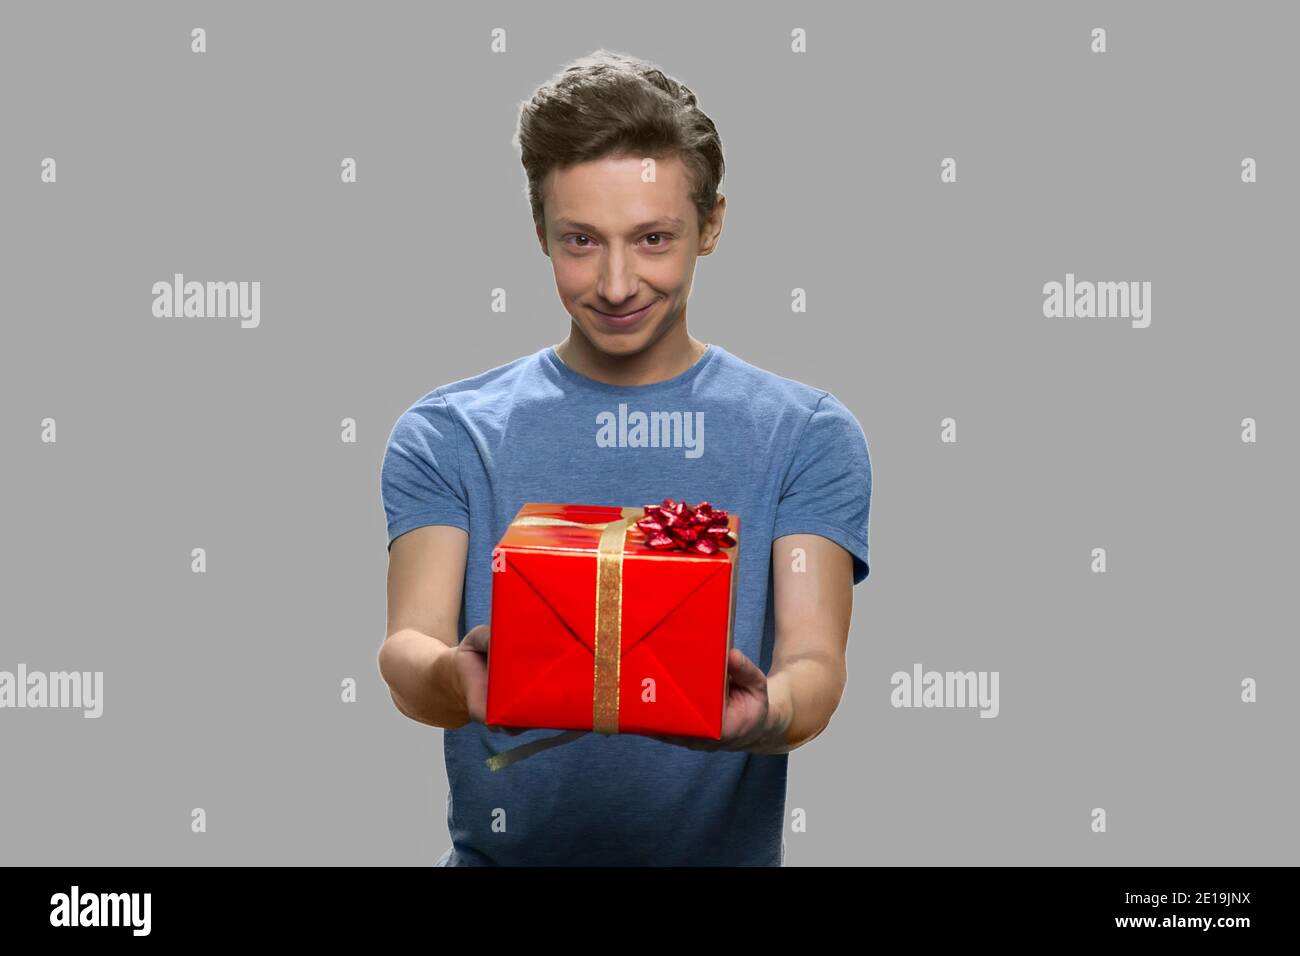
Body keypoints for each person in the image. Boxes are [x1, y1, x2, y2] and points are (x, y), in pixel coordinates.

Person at [378, 49, 872, 866]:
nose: (614, 283)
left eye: (652, 239)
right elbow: (407, 650)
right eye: (580, 240)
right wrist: (458, 679)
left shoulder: (807, 434)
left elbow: (815, 667)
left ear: (711, 226)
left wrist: (762, 715)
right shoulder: (449, 431)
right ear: (538, 232)